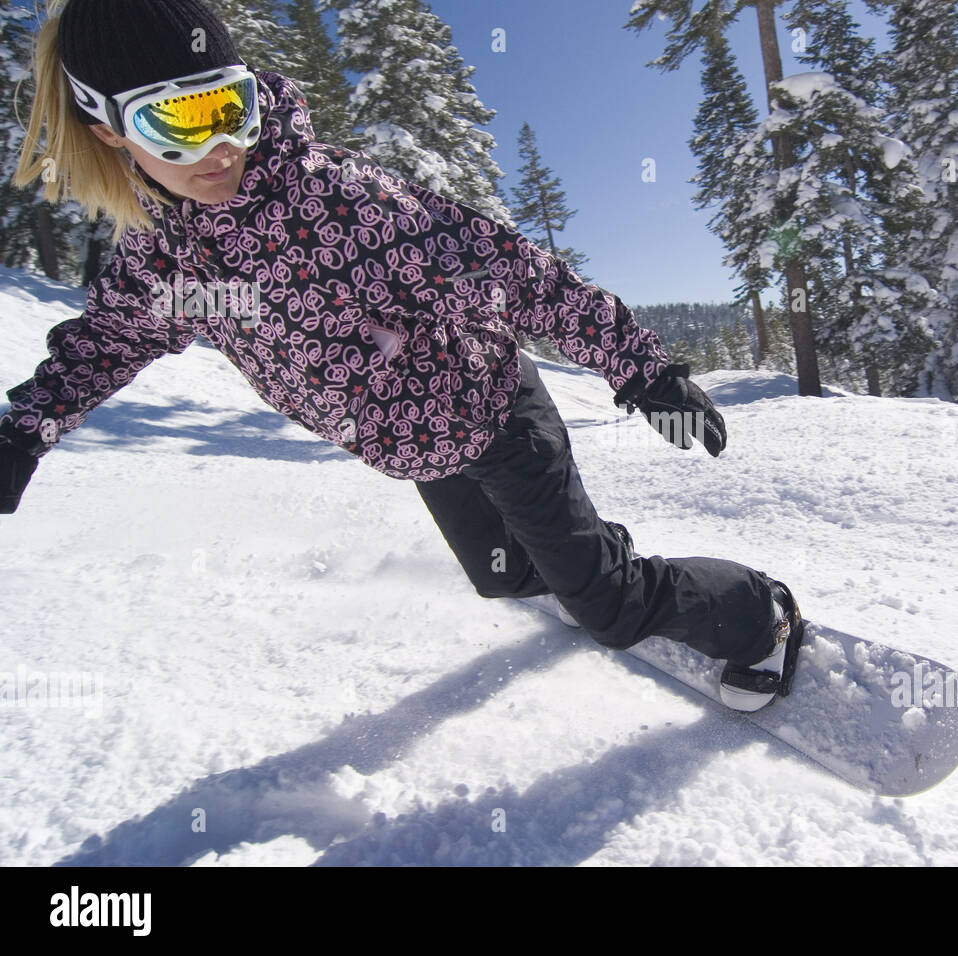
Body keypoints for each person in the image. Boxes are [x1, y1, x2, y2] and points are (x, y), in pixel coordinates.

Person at [0, 0, 804, 710]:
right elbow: (111, 338)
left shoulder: (333, 200)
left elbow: (506, 268)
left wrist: (641, 366)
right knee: (502, 576)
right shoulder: (165, 260)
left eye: (231, 109)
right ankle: (584, 558)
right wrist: (25, 429)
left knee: (611, 611)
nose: (218, 145)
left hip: (493, 410)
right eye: (177, 121)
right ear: (109, 129)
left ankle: (757, 614)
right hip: (416, 444)